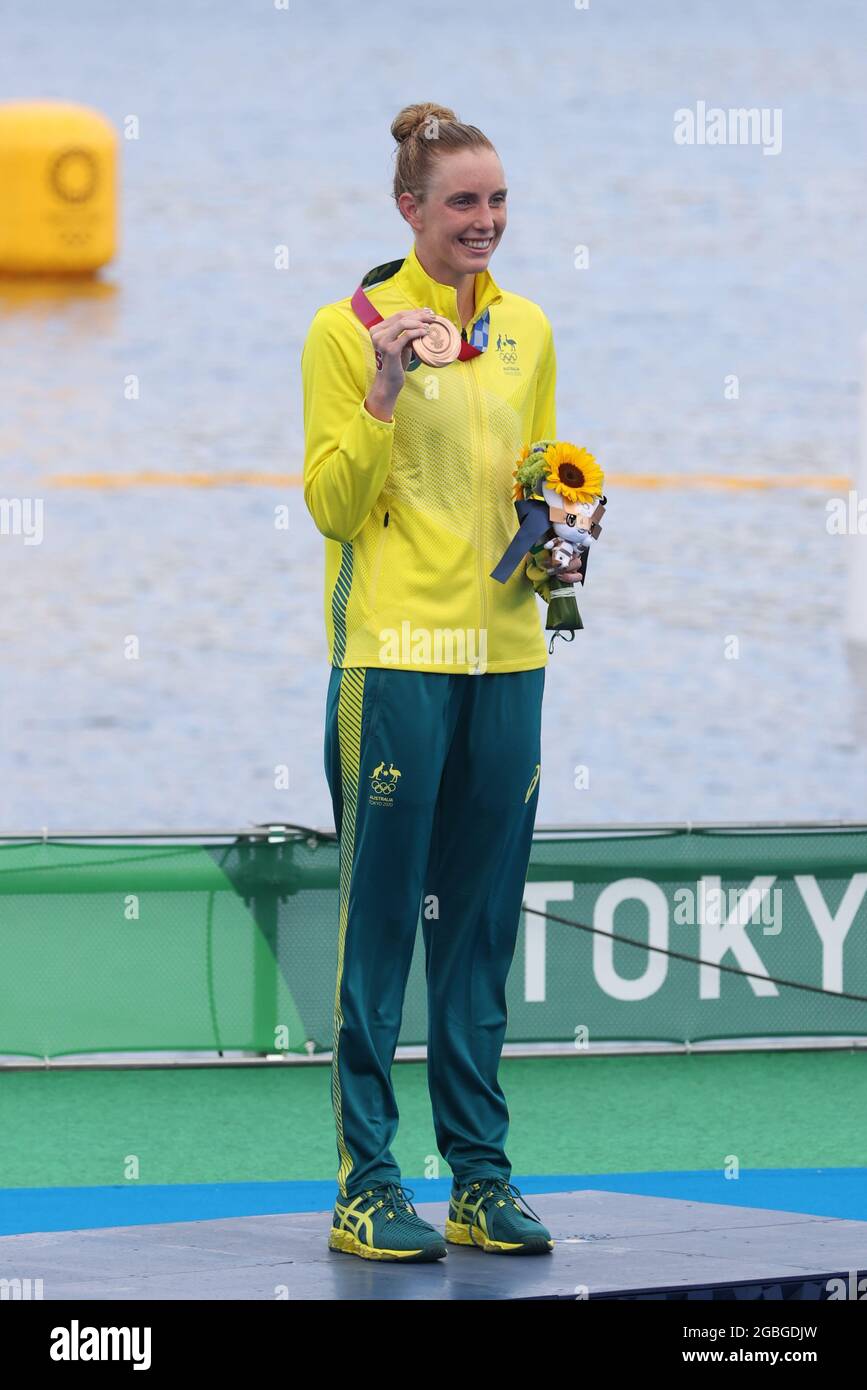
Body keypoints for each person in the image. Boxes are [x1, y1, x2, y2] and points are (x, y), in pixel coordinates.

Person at [301, 102, 582, 1263]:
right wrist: (378, 387)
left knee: (477, 937)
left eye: (499, 200)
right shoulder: (343, 328)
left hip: (509, 658)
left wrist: (559, 528)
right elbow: (329, 504)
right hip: (394, 663)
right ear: (408, 208)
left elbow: (537, 470)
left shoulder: (527, 330)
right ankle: (367, 1186)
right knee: (380, 937)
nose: (486, 221)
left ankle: (479, 1179)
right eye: (463, 202)